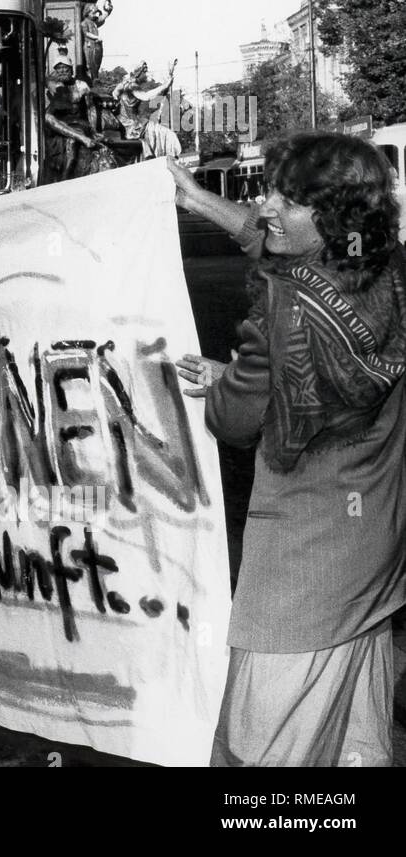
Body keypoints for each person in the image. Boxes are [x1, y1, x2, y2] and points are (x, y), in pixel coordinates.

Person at [170, 134, 406, 767]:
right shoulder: (387, 265)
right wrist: (198, 201)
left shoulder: (279, 313)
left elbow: (233, 424)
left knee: (259, 754)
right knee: (358, 744)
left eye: (288, 198)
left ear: (331, 218)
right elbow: (281, 241)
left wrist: (231, 382)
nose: (266, 205)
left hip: (298, 580)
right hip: (372, 554)